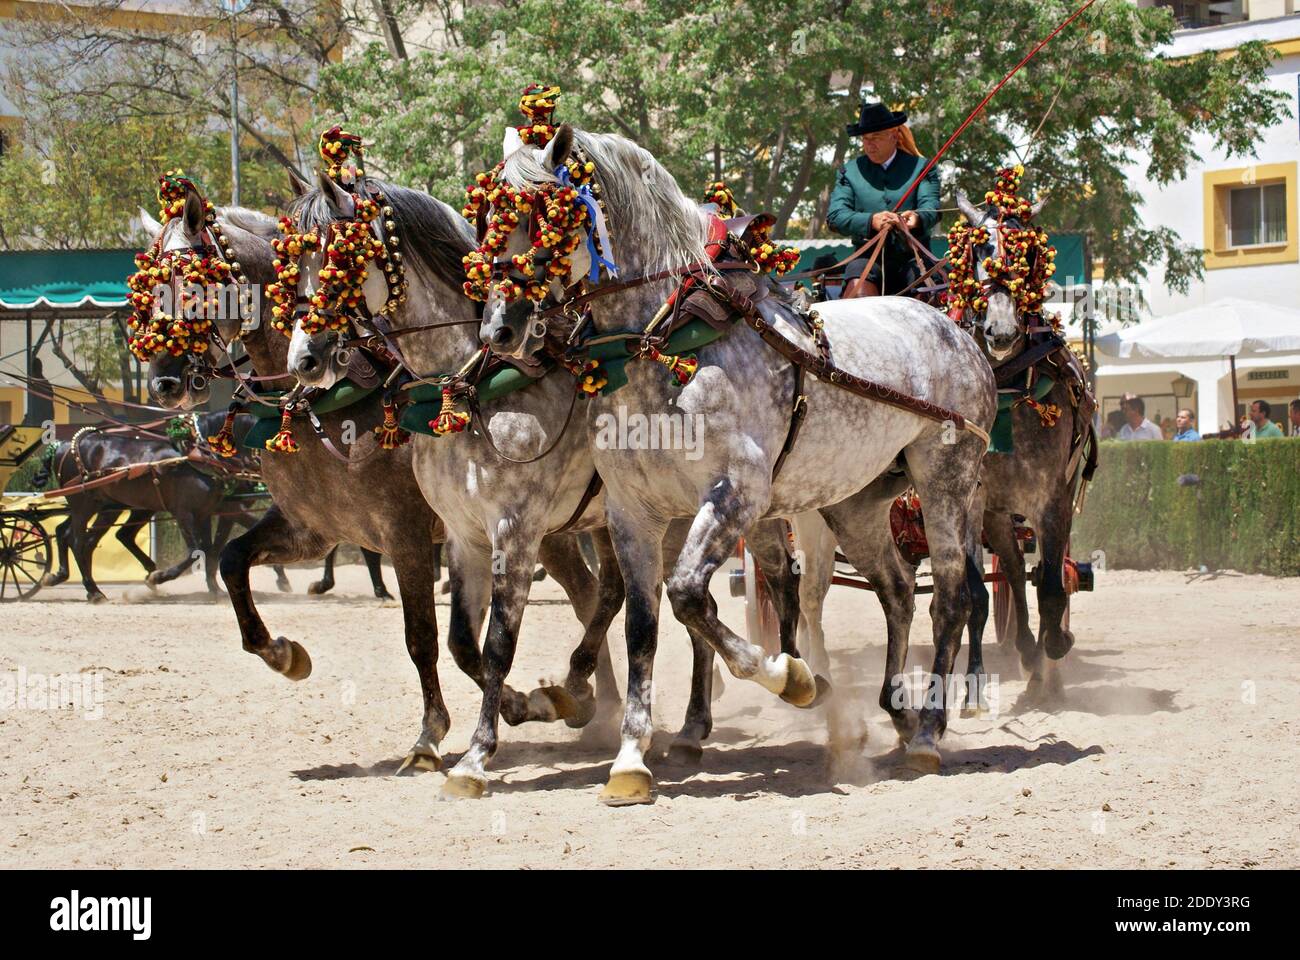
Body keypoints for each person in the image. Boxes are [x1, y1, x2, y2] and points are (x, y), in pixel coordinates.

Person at [826, 101, 940, 298]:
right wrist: (871, 221)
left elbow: (931, 208)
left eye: (876, 137)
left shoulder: (922, 168)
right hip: (867, 259)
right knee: (856, 290)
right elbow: (836, 216)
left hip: (914, 258)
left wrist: (916, 218)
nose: (869, 144)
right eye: (865, 139)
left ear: (894, 136)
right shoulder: (849, 172)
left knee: (929, 290)